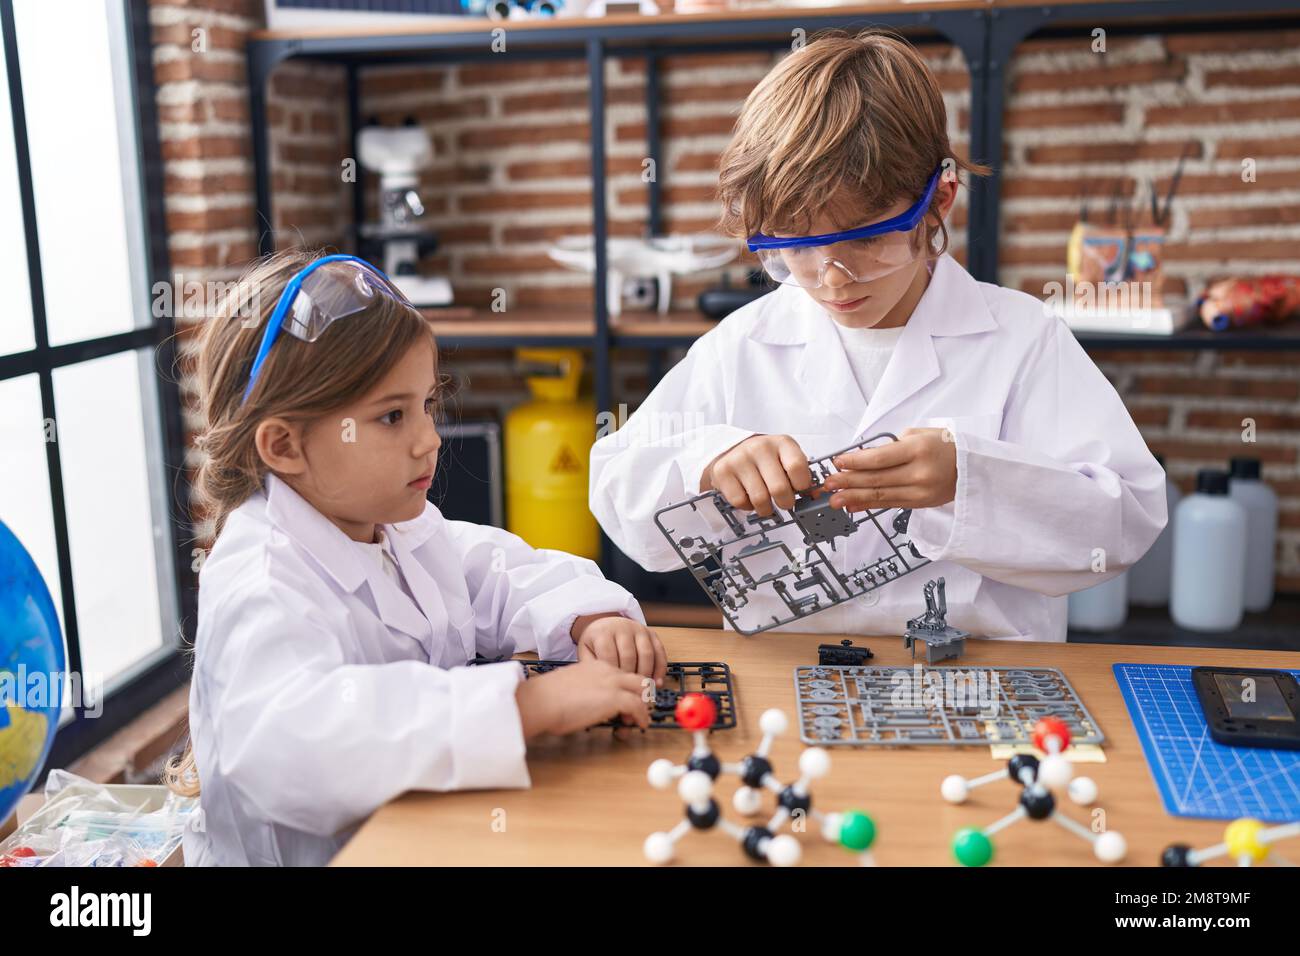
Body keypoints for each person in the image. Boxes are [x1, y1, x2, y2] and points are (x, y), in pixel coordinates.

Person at [589, 30, 1167, 642]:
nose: (831, 277)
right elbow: (617, 490)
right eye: (794, 247)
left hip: (989, 677)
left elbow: (1126, 522)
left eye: (867, 240)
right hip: (787, 674)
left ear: (938, 201)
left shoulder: (1023, 340)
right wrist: (706, 462)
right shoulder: (744, 345)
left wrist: (971, 480)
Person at [168, 250, 666, 866]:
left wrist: (587, 616)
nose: (429, 438)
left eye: (427, 406)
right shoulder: (262, 582)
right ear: (284, 445)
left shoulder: (392, 528)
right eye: (392, 416)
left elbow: (497, 571)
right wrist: (525, 706)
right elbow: (300, 746)